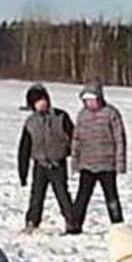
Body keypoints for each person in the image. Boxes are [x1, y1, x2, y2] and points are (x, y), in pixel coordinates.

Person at [17, 84, 78, 234]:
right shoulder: (30, 123)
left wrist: (75, 157)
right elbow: (24, 149)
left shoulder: (61, 116)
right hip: (40, 164)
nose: (41, 103)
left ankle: (72, 222)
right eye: (37, 101)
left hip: (58, 163)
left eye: (43, 99)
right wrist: (23, 172)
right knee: (36, 196)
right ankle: (32, 221)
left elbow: (74, 139)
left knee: (62, 194)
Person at [71, 82, 127, 229]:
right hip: (87, 164)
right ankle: (75, 224)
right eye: (87, 100)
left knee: (111, 197)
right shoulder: (82, 116)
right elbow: (76, 140)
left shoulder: (111, 113)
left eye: (93, 99)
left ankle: (118, 225)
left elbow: (119, 139)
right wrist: (75, 162)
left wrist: (120, 163)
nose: (90, 103)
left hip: (107, 165)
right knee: (82, 197)